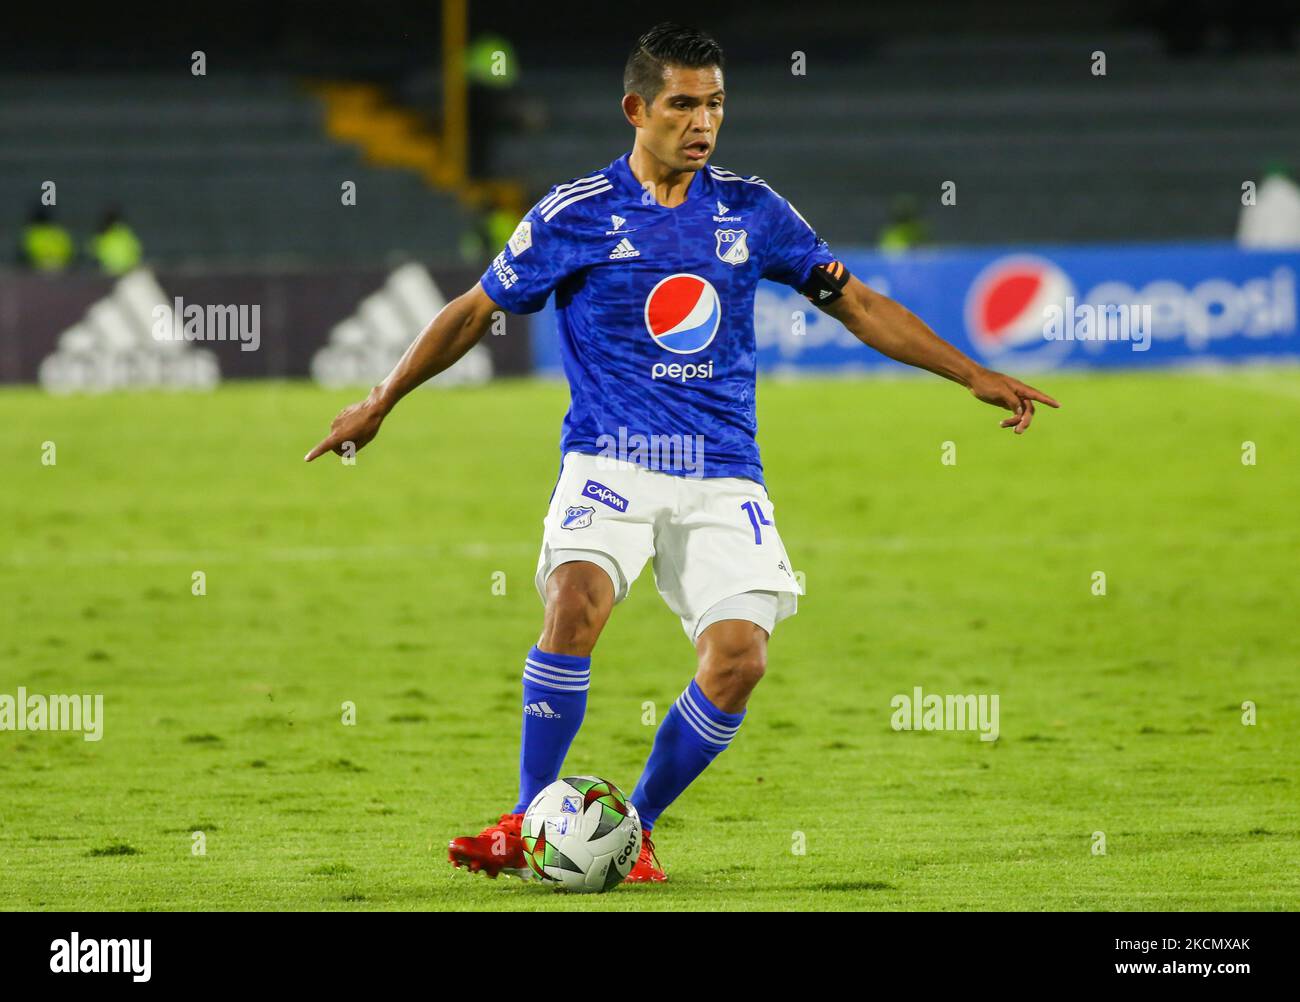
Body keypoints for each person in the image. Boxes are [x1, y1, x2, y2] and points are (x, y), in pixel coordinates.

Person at [305, 22, 1059, 884]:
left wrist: (968, 373)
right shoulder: (575, 214)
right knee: (576, 600)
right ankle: (526, 819)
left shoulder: (753, 211)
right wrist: (381, 401)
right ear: (636, 108)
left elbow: (856, 303)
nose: (702, 123)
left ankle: (634, 829)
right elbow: (474, 311)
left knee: (741, 659)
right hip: (611, 457)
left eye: (715, 104)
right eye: (683, 104)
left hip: (722, 470)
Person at [18, 205, 75, 272]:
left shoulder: (30, 234)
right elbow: (71, 254)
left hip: (37, 271)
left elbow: (23, 256)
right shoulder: (60, 232)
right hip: (62, 271)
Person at [88, 208, 142, 275]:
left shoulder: (102, 236)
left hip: (118, 274)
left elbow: (91, 251)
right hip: (115, 274)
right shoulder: (125, 232)